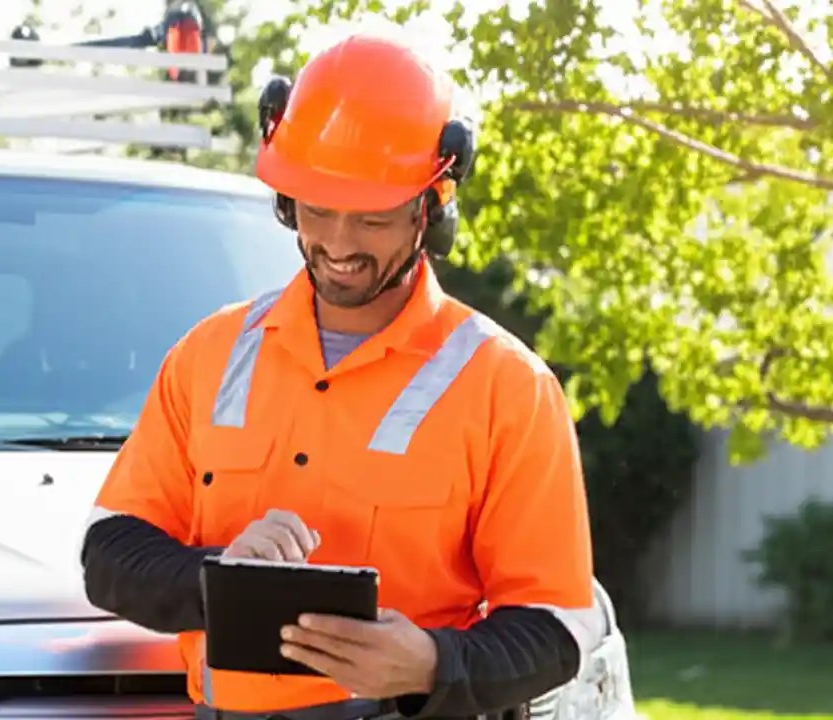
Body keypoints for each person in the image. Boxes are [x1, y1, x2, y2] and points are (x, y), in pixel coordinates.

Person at [79, 31, 604, 720]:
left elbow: (560, 627)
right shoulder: (208, 355)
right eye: (316, 208)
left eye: (373, 219)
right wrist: (218, 575)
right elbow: (109, 552)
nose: (338, 244)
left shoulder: (508, 387)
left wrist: (431, 664)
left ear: (430, 207)